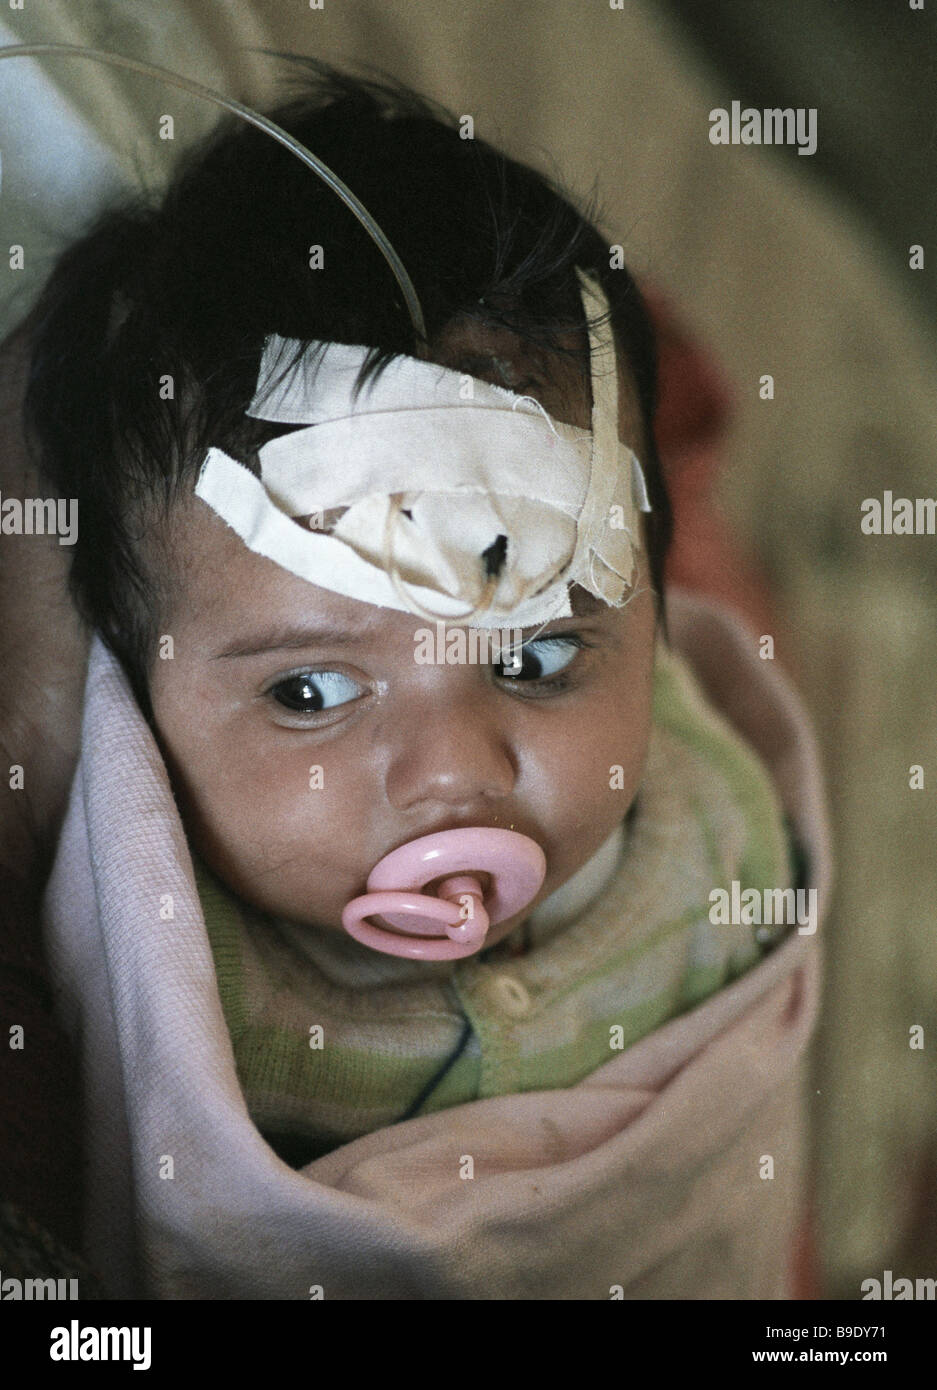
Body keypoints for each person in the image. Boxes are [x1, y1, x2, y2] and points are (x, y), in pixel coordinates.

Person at [13, 61, 828, 1298]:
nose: (454, 767)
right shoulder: (167, 970)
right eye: (309, 694)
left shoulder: (717, 822)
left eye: (535, 655)